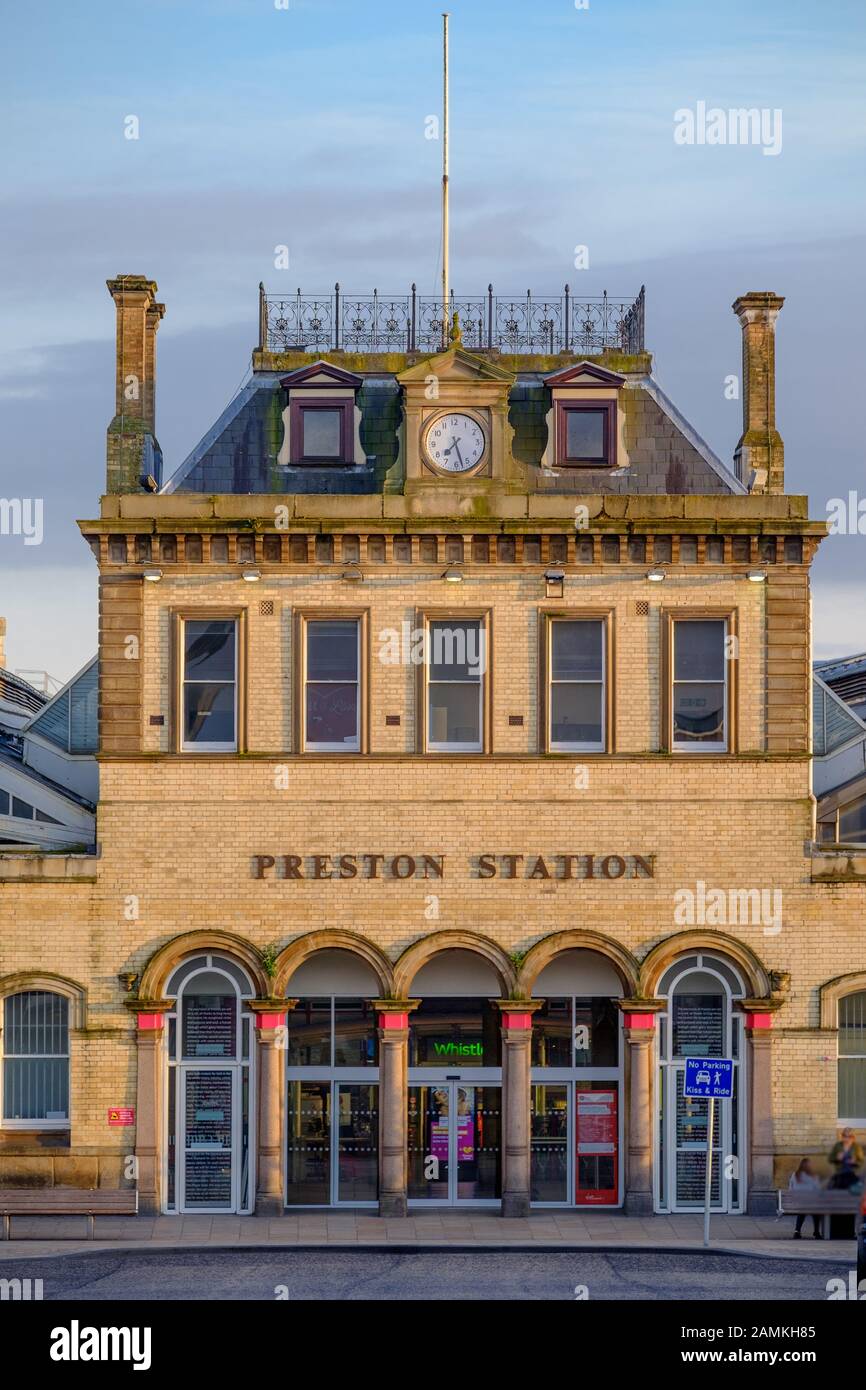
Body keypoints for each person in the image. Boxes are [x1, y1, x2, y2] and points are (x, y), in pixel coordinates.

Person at [788, 1158, 824, 1239]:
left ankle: (797, 1231)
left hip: (798, 1202)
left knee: (803, 1210)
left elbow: (790, 1189)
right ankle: (816, 1232)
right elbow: (818, 1190)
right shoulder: (814, 1175)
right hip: (810, 1202)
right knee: (816, 1211)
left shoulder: (795, 1174)